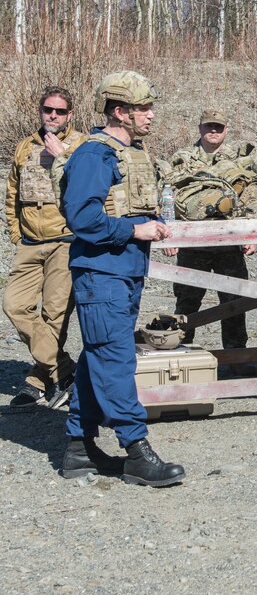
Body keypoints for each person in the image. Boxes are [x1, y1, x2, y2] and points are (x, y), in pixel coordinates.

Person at [57, 71, 185, 487]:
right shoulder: (95, 155)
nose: (150, 115)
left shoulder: (132, 153)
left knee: (97, 354)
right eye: (143, 108)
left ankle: (79, 447)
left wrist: (150, 222)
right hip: (101, 274)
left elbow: (122, 208)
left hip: (123, 272)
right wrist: (134, 230)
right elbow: (82, 218)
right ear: (119, 112)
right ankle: (136, 450)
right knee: (116, 358)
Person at [3, 87, 85, 411]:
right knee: (14, 305)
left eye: (60, 111)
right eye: (47, 109)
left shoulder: (80, 146)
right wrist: (14, 231)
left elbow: (86, 187)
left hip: (63, 242)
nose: (53, 115)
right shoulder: (25, 147)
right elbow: (12, 192)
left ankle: (37, 382)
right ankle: (65, 372)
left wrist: (63, 154)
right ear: (40, 110)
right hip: (29, 243)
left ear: (70, 115)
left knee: (55, 316)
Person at [166, 108, 257, 357]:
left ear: (226, 130)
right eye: (209, 126)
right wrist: (170, 235)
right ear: (200, 128)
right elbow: (168, 197)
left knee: (234, 303)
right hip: (193, 246)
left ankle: (236, 356)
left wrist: (253, 236)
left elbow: (250, 199)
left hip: (229, 245)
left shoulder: (239, 161)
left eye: (218, 127)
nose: (213, 131)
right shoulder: (182, 158)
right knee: (187, 304)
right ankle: (181, 357)